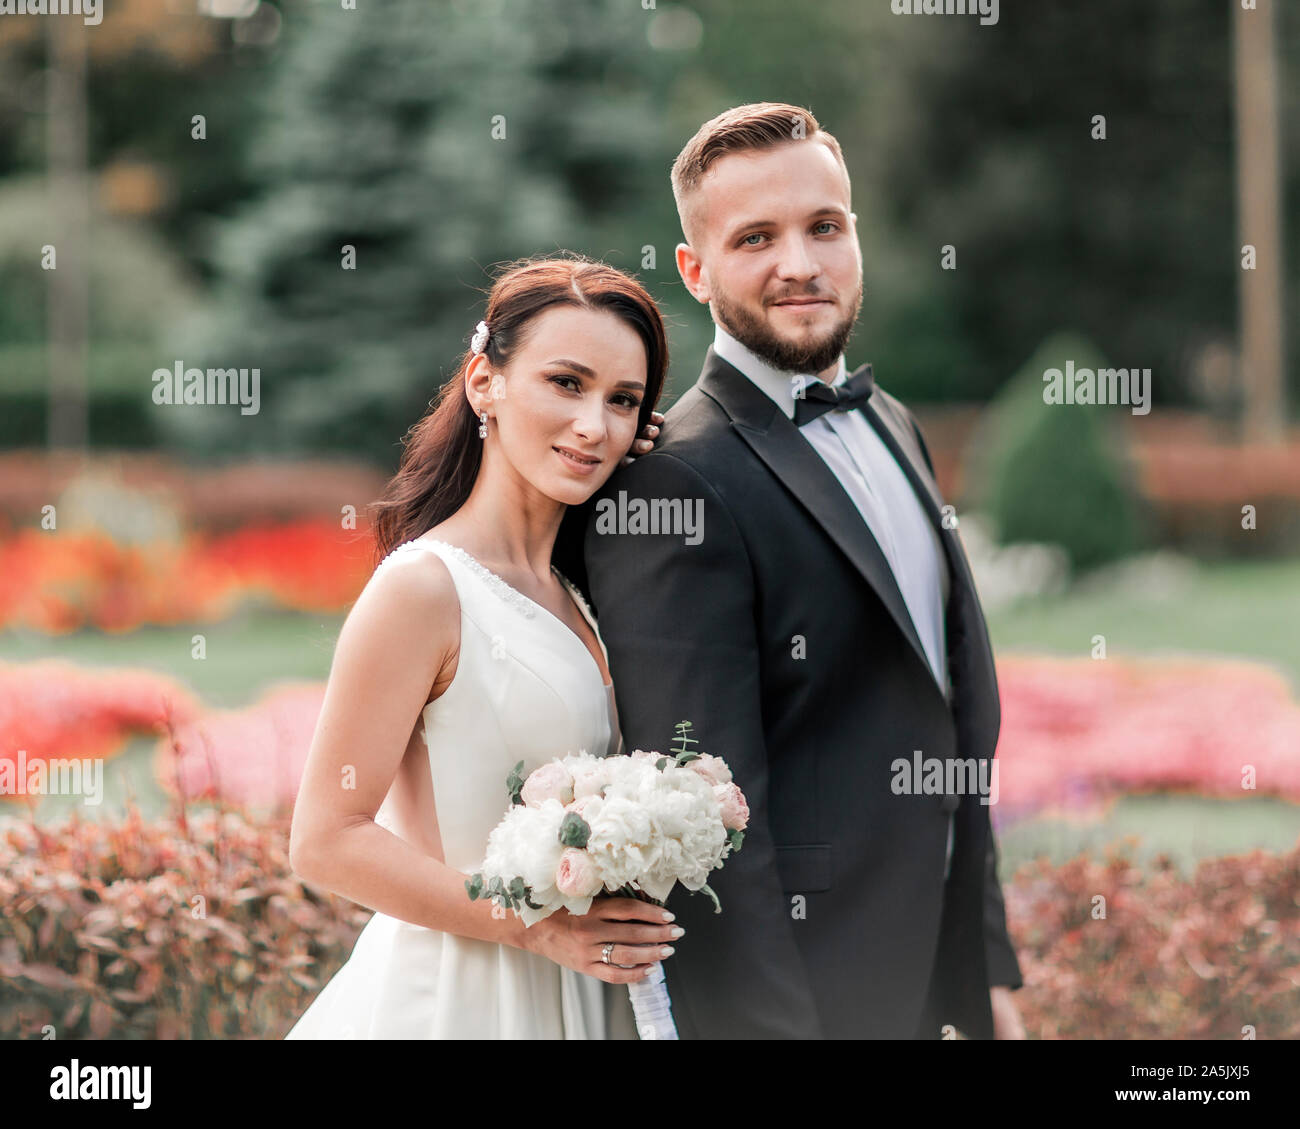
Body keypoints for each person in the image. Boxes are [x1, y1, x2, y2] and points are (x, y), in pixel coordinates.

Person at [570, 103, 1027, 1039]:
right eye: (756, 238)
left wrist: (985, 976)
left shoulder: (894, 423)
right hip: (812, 997)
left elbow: (941, 714)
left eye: (825, 226)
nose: (801, 264)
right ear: (694, 271)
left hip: (933, 979)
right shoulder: (672, 479)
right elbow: (706, 824)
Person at [284, 253, 674, 1039]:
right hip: (461, 999)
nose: (594, 425)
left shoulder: (584, 592)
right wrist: (529, 923)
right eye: (566, 383)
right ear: (482, 382)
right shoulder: (425, 589)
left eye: (622, 400)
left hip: (587, 999)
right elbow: (325, 840)